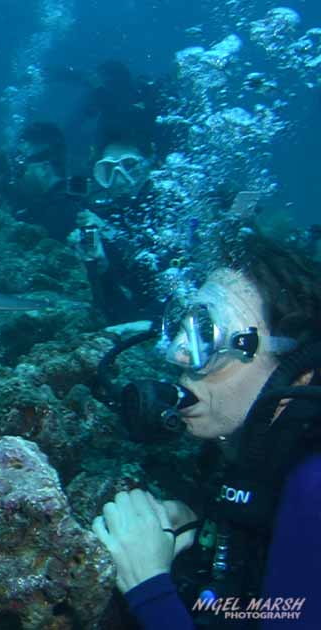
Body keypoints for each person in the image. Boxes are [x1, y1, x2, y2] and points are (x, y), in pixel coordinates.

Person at [92, 230, 321, 628]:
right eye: (183, 327)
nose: (178, 352)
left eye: (207, 337)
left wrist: (149, 588)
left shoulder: (314, 486)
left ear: (296, 376)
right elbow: (281, 608)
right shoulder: (254, 462)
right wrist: (203, 536)